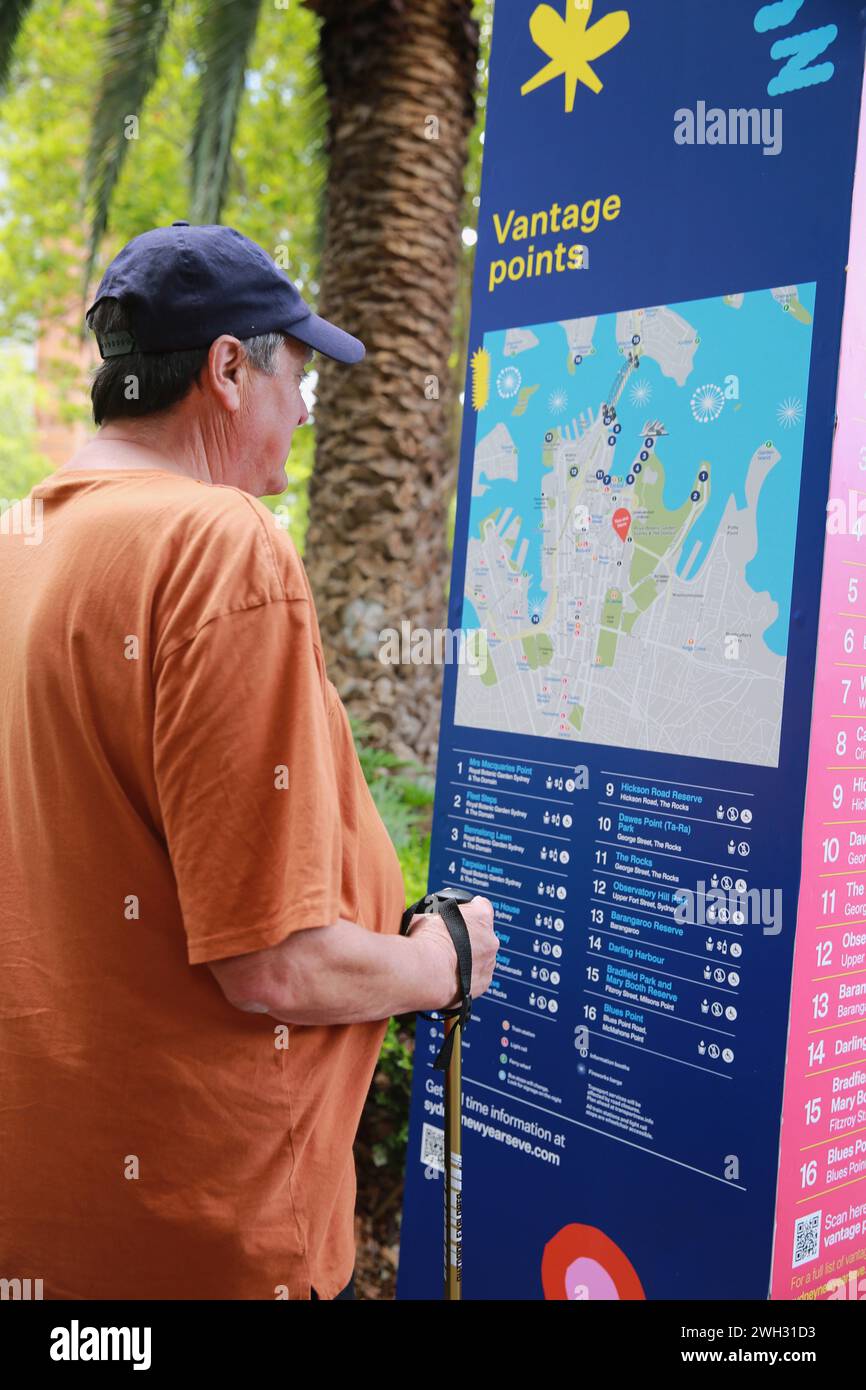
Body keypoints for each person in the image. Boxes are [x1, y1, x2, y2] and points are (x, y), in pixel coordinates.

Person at [0, 221, 498, 1300]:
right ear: (228, 368)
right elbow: (268, 962)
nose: (307, 407)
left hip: (48, 1212)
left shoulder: (22, 542)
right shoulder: (215, 544)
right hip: (196, 1236)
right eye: (297, 369)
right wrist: (436, 965)